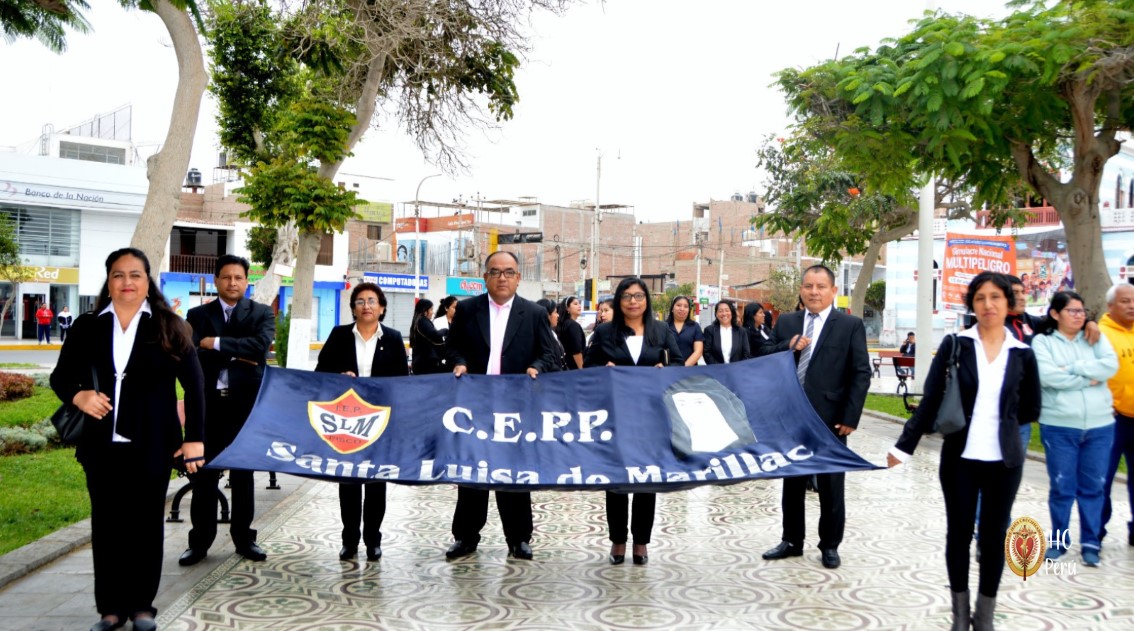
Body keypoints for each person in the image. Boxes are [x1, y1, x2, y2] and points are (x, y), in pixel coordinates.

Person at [51, 247, 205, 631]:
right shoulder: (88, 326)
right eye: (118, 275)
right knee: (107, 527)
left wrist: (195, 439)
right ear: (109, 281)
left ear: (147, 280)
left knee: (145, 527)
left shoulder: (170, 325)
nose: (126, 282)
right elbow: (61, 377)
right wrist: (79, 395)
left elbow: (196, 386)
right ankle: (110, 609)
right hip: (101, 447)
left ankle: (141, 607)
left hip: (153, 445)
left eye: (135, 275)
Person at [887, 271, 1041, 631]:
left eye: (996, 298)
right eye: (980, 298)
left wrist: (1002, 420)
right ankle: (960, 615)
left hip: (1005, 462)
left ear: (1008, 304)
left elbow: (1033, 406)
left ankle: (984, 616)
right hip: (960, 461)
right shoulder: (956, 345)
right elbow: (931, 401)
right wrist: (904, 447)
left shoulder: (1023, 353)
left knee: (992, 537)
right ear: (972, 305)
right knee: (958, 534)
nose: (988, 305)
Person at [443, 251, 559, 561]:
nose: (502, 277)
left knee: (514, 473)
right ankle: (465, 537)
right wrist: (460, 364)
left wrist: (536, 366)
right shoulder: (467, 310)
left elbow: (550, 355)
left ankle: (518, 538)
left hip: (515, 407)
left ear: (518, 277)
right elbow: (452, 348)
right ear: (485, 277)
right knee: (473, 471)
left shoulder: (533, 313)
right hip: (475, 406)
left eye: (509, 272)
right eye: (495, 272)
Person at [761, 264, 870, 571]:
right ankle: (792, 540)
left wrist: (851, 416)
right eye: (808, 286)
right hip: (791, 416)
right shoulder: (788, 322)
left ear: (833, 291)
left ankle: (830, 545)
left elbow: (860, 373)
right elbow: (765, 352)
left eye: (821, 286)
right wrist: (788, 345)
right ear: (801, 290)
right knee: (792, 482)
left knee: (831, 484)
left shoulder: (849, 326)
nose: (814, 292)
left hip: (831, 419)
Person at [179, 255, 275, 567]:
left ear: (247, 282)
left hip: (246, 407)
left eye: (238, 278)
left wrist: (215, 343)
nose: (232, 283)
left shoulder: (261, 313)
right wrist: (235, 351)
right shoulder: (197, 314)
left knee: (244, 475)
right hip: (208, 407)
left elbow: (259, 349)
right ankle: (200, 543)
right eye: (226, 277)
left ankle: (245, 539)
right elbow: (191, 354)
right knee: (204, 476)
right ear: (217, 280)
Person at [585, 277, 683, 565]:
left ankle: (641, 541)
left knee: (646, 478)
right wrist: (605, 369)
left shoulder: (661, 330)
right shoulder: (604, 332)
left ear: (647, 300)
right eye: (627, 296)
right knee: (616, 478)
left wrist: (665, 369)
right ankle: (618, 540)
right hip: (615, 415)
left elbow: (678, 363)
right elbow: (588, 367)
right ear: (619, 300)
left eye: (638, 296)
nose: (632, 301)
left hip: (651, 416)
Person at [315, 283, 408, 561]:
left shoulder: (392, 338)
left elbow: (402, 382)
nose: (366, 306)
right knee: (350, 483)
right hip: (347, 422)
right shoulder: (339, 335)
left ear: (381, 307)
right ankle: (349, 540)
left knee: (376, 483)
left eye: (371, 301)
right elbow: (320, 373)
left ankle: (373, 541)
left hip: (379, 421)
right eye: (360, 301)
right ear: (353, 307)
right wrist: (338, 377)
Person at [1032, 291, 1117, 567]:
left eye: (1082, 311)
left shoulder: (1094, 338)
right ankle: (1059, 542)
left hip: (1100, 425)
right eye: (1073, 311)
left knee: (1094, 487)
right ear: (1055, 314)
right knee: (1061, 487)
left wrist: (1072, 368)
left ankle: (1091, 543)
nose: (1079, 316)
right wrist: (1087, 377)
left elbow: (1109, 366)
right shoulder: (1043, 342)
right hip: (1059, 425)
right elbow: (1047, 377)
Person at [1100, 283, 1134, 548]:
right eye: (1125, 301)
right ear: (1111, 306)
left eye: (1133, 301)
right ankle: (1095, 532)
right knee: (1102, 478)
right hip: (1110, 419)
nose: (1131, 305)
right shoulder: (1099, 334)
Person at [703, 299, 750, 364]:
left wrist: (738, 368)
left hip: (737, 370)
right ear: (716, 314)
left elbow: (746, 354)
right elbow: (706, 353)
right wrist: (720, 368)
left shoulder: (741, 331)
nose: (724, 314)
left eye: (727, 310)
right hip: (716, 371)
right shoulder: (709, 330)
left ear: (732, 313)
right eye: (720, 311)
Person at [410, 299, 446, 375]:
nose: (432, 312)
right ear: (425, 311)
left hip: (421, 363)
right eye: (431, 309)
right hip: (426, 364)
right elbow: (435, 335)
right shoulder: (422, 321)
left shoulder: (418, 321)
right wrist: (445, 330)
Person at [666, 295, 704, 366]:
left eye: (686, 306)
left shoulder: (695, 326)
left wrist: (684, 367)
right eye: (678, 305)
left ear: (689, 310)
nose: (682, 309)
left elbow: (698, 351)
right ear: (672, 308)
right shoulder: (663, 326)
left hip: (690, 370)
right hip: (668, 370)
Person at [556, 296, 586, 369]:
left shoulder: (562, 324)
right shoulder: (573, 325)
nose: (579, 306)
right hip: (573, 368)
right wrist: (581, 369)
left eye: (579, 304)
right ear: (567, 308)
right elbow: (576, 351)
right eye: (575, 304)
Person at [537, 298, 567, 371]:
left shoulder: (552, 332)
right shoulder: (539, 336)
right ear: (547, 315)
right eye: (555, 312)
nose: (558, 315)